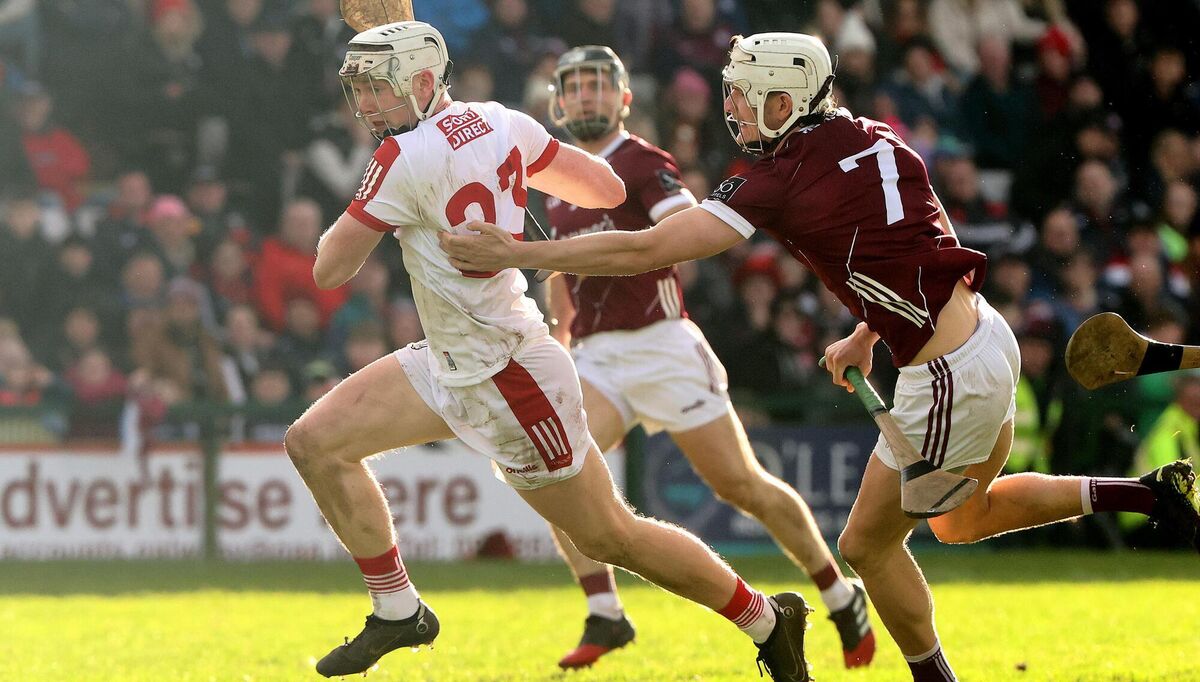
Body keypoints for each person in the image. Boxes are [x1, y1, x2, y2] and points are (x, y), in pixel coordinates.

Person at [440, 32, 1200, 682]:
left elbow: (650, 247)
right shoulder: (883, 135)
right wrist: (867, 334)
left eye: (744, 94)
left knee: (865, 544)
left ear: (785, 100)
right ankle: (1146, 494)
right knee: (965, 519)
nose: (731, 107)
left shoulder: (775, 177)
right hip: (980, 336)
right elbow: (917, 253)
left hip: (943, 376)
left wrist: (520, 250)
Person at [288, 21, 812, 681]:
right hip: (450, 359)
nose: (365, 106)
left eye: (378, 90)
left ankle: (767, 618)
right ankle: (397, 609)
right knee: (314, 442)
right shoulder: (502, 120)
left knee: (609, 536)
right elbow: (607, 191)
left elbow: (330, 269)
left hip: (510, 375)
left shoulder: (400, 158)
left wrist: (387, 188)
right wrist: (504, 185)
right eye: (358, 90)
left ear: (424, 84)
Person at [541, 45, 874, 671]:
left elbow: (688, 226)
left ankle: (837, 590)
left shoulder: (640, 162)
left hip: (663, 343)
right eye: (575, 87)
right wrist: (559, 334)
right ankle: (605, 613)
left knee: (740, 485)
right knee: (556, 470)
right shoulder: (554, 178)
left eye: (597, 86)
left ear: (624, 99)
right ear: (558, 101)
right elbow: (560, 267)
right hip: (594, 354)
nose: (586, 97)